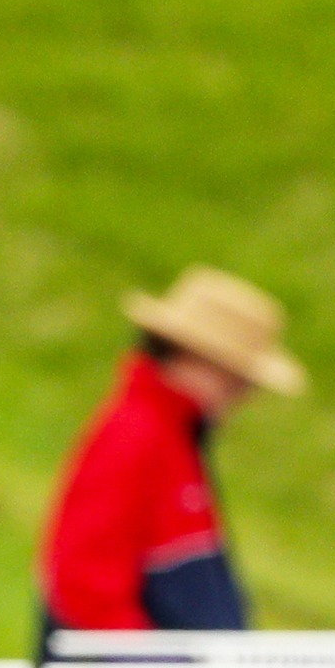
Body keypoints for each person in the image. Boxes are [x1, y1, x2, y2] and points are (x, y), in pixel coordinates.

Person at [41, 265, 305, 637]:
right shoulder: (136, 435)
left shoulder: (173, 437)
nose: (244, 394)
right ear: (194, 358)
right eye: (238, 378)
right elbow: (84, 580)